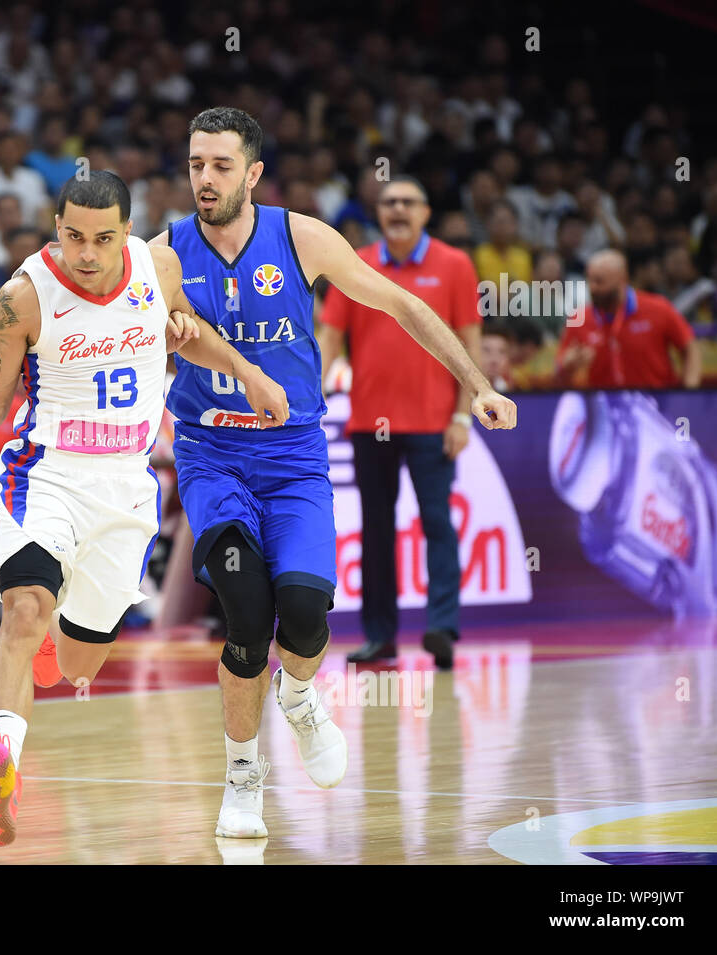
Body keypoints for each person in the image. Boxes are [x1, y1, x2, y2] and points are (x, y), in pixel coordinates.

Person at [153, 108, 514, 840]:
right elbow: (141, 341)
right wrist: (168, 339)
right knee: (248, 617)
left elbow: (404, 304)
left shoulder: (301, 237)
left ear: (253, 173)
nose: (206, 179)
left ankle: (299, 693)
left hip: (291, 458)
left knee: (308, 614)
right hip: (212, 453)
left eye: (221, 165)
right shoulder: (163, 253)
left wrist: (476, 384)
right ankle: (243, 778)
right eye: (196, 164)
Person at [0, 171, 288, 847]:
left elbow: (190, 332)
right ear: (57, 227)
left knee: (79, 666)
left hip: (126, 490)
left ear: (127, 230)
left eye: (104, 237)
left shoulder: (160, 264)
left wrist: (248, 372)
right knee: (24, 612)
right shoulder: (22, 296)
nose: (88, 253)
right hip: (46, 476)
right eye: (75, 236)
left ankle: (53, 653)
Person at [318, 175, 485, 671]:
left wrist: (464, 413)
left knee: (438, 524)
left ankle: (441, 629)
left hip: (436, 422)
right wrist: (313, 395)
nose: (397, 210)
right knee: (376, 532)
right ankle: (380, 637)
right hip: (371, 424)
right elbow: (330, 337)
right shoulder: (355, 264)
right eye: (389, 202)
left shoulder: (455, 265)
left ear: (426, 212)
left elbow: (470, 345)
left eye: (408, 202)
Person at [556, 249, 701, 389]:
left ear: (622, 279)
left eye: (599, 281)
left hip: (656, 403)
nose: (592, 288)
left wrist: (689, 392)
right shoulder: (579, 318)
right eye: (590, 281)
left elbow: (690, 348)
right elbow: (559, 375)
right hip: (605, 406)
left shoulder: (658, 308)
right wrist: (566, 367)